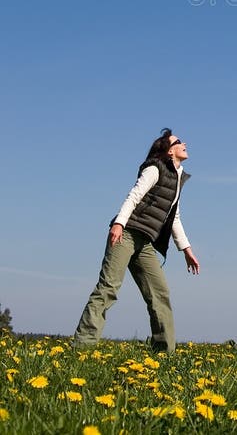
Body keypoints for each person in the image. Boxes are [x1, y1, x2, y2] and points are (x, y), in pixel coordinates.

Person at [73, 128, 200, 352]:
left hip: (145, 243)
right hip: (126, 234)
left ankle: (164, 353)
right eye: (178, 141)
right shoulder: (154, 168)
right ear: (169, 151)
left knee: (160, 292)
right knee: (108, 288)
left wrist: (187, 250)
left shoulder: (178, 177)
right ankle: (83, 347)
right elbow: (134, 196)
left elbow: (174, 217)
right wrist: (119, 224)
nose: (184, 143)